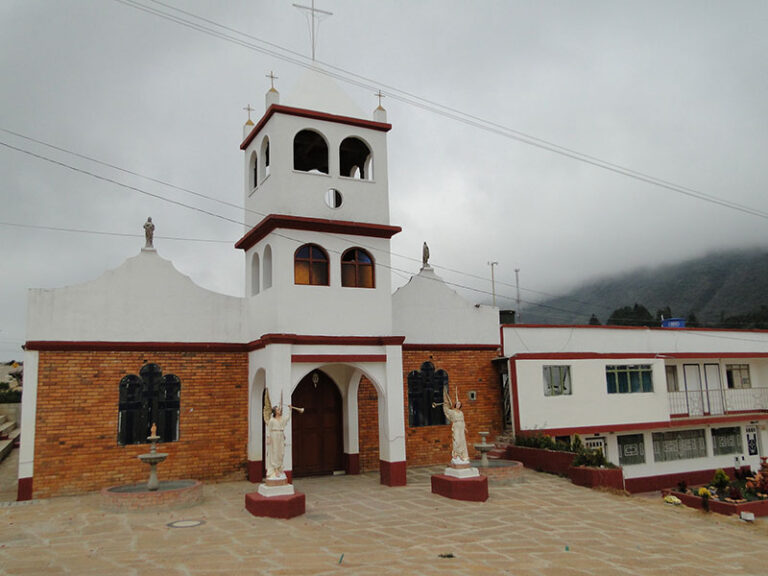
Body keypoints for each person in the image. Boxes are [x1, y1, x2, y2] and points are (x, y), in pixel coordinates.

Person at [442, 388, 469, 463]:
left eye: (459, 404)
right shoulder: (453, 412)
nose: (458, 405)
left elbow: (463, 420)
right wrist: (445, 404)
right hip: (456, 426)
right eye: (457, 404)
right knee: (456, 440)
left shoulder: (461, 412)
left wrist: (465, 427)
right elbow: (446, 410)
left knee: (462, 441)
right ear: (455, 405)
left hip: (461, 427)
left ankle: (463, 455)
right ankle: (456, 454)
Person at [265, 405, 292, 479]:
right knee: (275, 451)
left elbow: (287, 418)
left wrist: (290, 410)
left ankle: (280, 468)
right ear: (275, 412)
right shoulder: (272, 420)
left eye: (279, 409)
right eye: (277, 410)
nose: (279, 410)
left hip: (281, 435)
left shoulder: (282, 419)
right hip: (274, 435)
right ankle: (275, 469)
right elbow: (269, 429)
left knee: (281, 452)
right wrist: (268, 438)